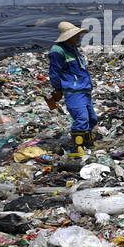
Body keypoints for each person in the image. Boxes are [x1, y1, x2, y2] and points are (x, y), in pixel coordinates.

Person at [46, 21, 97, 156]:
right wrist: (58, 89)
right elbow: (54, 72)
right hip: (73, 91)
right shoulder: (58, 51)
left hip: (84, 89)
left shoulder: (73, 48)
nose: (79, 37)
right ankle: (77, 147)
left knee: (92, 118)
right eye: (76, 35)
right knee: (81, 118)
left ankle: (88, 142)